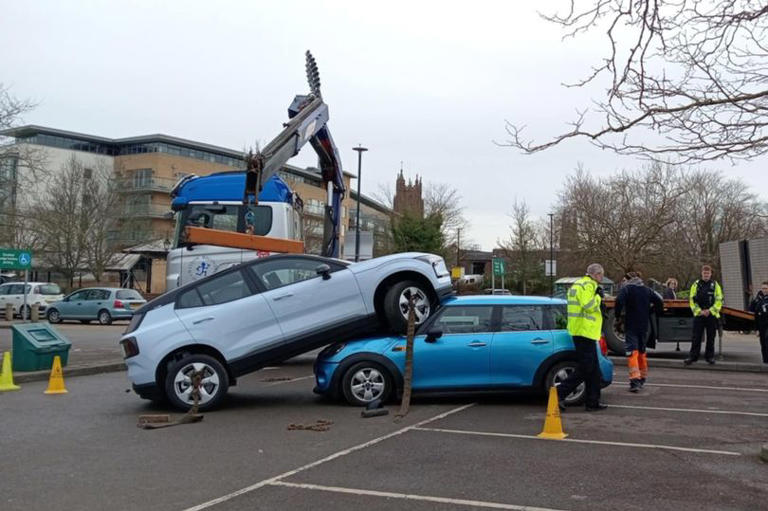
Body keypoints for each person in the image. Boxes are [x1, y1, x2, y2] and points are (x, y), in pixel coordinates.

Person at [557, 263, 607, 411]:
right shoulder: (589, 285)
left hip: (581, 331)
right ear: (596, 274)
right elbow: (589, 305)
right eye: (601, 275)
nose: (602, 278)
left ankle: (593, 402)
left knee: (594, 370)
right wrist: (598, 298)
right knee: (587, 367)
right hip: (585, 332)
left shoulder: (578, 284)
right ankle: (560, 392)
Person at [615, 271, 663, 392]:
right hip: (643, 325)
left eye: (624, 280)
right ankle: (642, 377)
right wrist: (650, 311)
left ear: (628, 280)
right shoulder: (646, 290)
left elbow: (619, 301)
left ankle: (634, 380)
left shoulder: (627, 290)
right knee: (642, 351)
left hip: (631, 324)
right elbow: (659, 302)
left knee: (632, 352)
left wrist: (618, 315)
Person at [684, 265, 723, 365]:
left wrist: (710, 310)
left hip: (711, 315)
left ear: (711, 274)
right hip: (699, 314)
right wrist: (699, 311)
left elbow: (719, 299)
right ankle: (693, 357)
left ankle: (709, 357)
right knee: (696, 337)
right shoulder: (696, 284)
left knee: (711, 337)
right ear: (702, 273)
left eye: (708, 273)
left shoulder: (715, 285)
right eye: (704, 273)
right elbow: (692, 300)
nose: (706, 275)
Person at [748, 281, 768, 364]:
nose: (765, 290)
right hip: (760, 326)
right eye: (763, 288)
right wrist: (756, 329)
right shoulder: (757, 299)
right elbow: (751, 311)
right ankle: (765, 362)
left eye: (766, 288)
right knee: (763, 344)